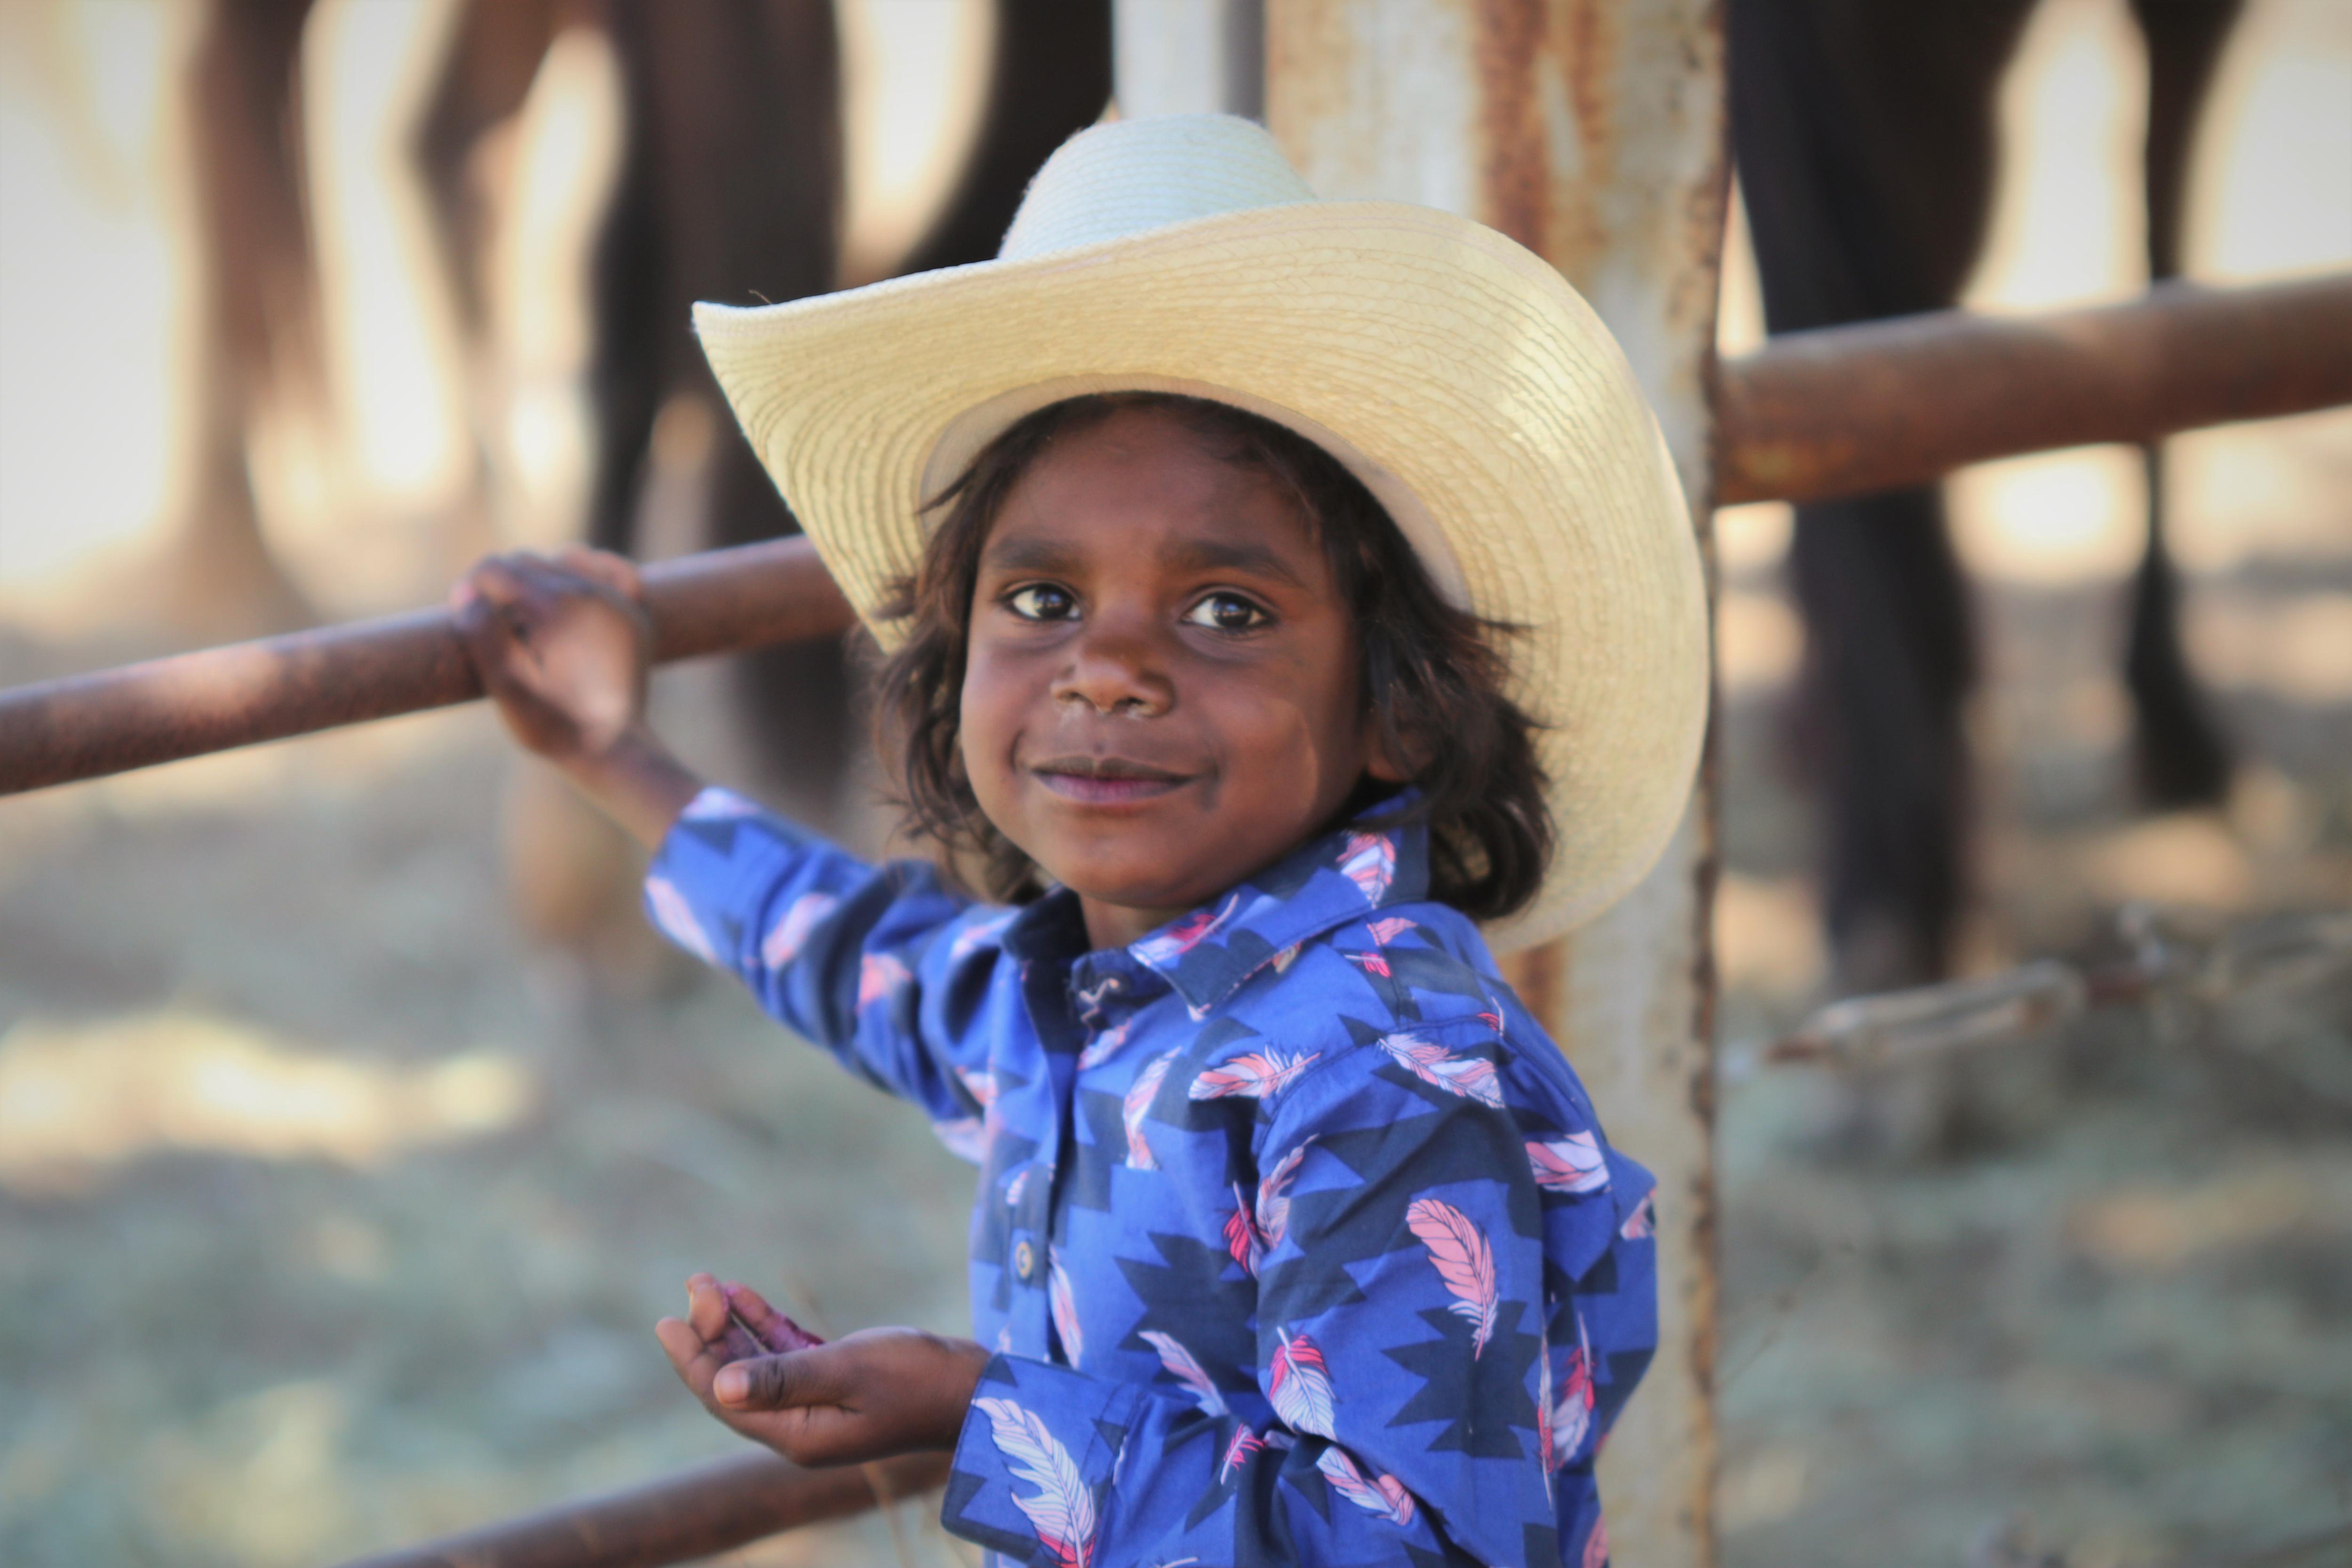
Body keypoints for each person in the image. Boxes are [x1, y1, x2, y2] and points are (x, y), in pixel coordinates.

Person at [451, 115, 1705, 1568]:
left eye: (1226, 609)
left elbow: (1406, 1549)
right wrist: (611, 751)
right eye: (1040, 599)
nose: (1105, 668)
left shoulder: (1380, 1081)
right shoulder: (1084, 1002)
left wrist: (982, 1414)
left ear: (1400, 714)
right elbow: (856, 955)